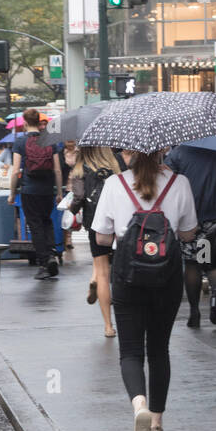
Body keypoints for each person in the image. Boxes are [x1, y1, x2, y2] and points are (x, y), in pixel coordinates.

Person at [93, 149, 198, 431]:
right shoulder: (180, 183)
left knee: (130, 352)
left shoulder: (114, 184)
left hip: (127, 276)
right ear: (162, 150)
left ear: (130, 153)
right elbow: (188, 234)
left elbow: (101, 238)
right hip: (167, 276)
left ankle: (139, 405)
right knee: (159, 350)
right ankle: (156, 426)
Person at [165, 141, 216, 328]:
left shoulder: (180, 152)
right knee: (214, 261)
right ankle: (215, 297)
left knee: (192, 263)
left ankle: (194, 310)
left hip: (191, 217)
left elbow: (168, 179)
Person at [68, 144, 122, 338]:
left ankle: (108, 326)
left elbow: (78, 198)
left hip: (95, 225)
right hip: (118, 223)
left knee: (103, 274)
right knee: (119, 271)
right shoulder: (116, 167)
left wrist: (71, 208)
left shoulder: (79, 170)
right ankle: (125, 319)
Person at [9, 108, 62, 280]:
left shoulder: (20, 142)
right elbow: (57, 170)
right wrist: (59, 192)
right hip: (47, 190)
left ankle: (44, 263)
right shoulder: (50, 141)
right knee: (47, 221)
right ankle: (52, 253)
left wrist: (12, 193)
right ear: (40, 122)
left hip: (29, 190)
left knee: (35, 225)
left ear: (25, 123)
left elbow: (15, 171)